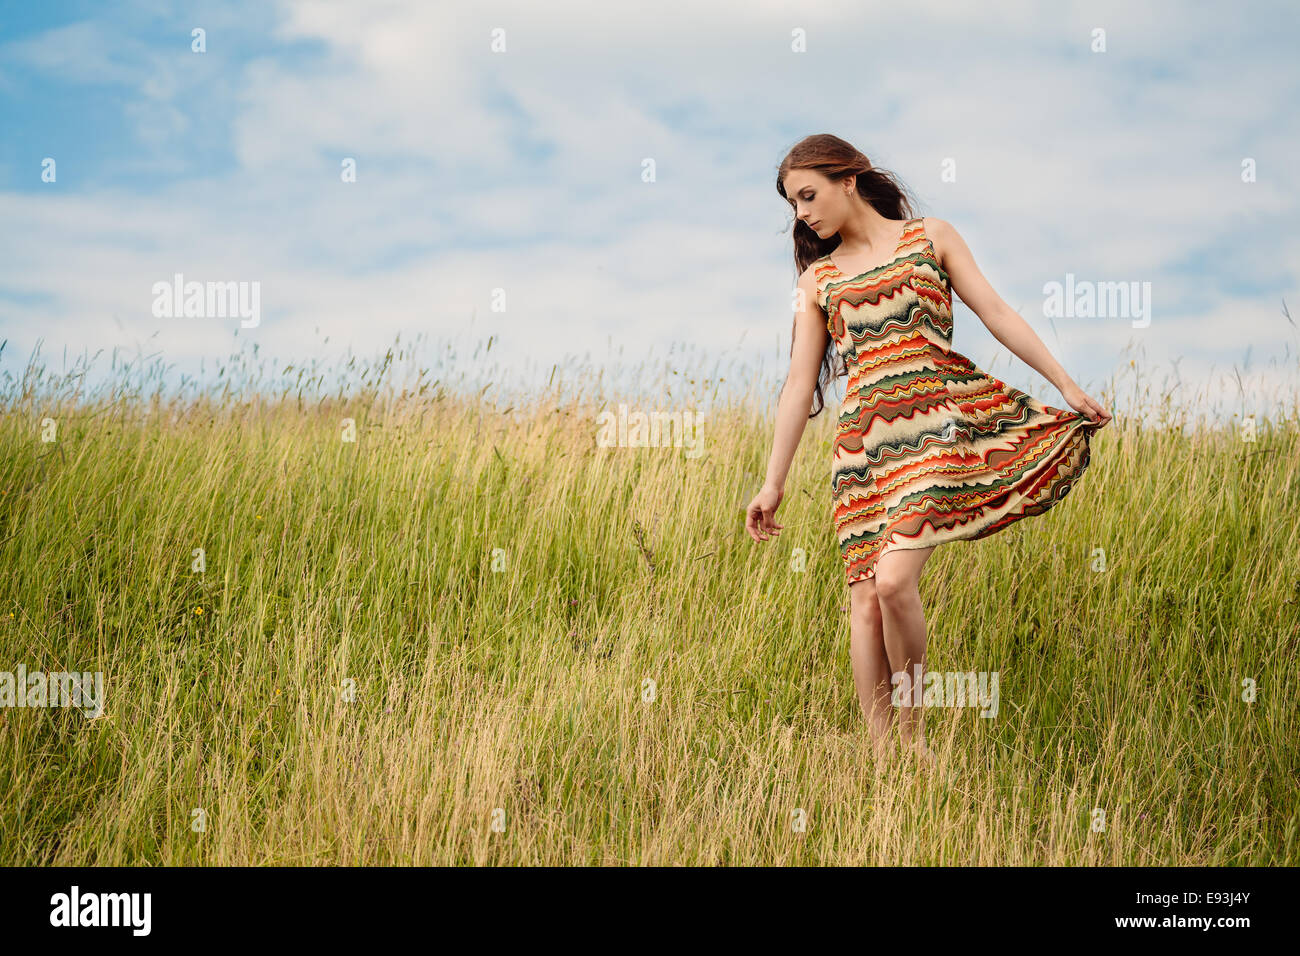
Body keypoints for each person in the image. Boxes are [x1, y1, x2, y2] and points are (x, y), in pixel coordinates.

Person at [746, 134, 1112, 768]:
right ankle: (883, 759)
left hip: (936, 428)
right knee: (863, 601)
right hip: (862, 452)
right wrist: (772, 483)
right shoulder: (818, 280)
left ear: (848, 180)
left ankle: (912, 739)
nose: (801, 214)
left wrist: (1067, 385)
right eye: (793, 204)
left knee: (892, 583)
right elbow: (798, 383)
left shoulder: (929, 237)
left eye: (808, 195)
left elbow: (996, 311)